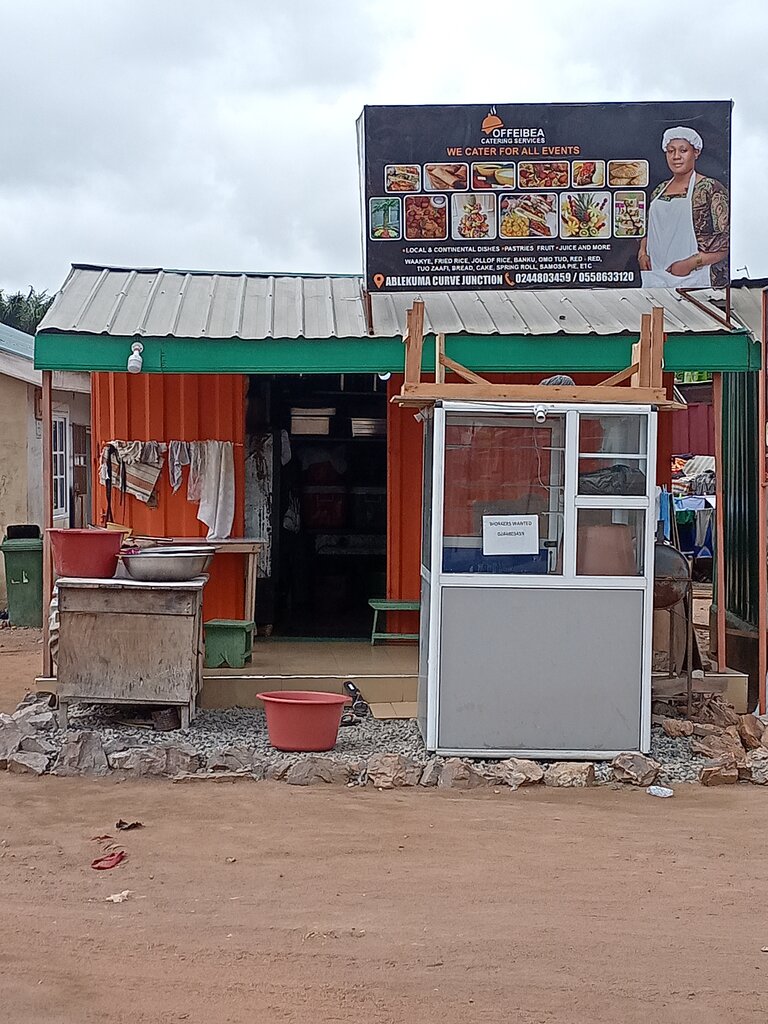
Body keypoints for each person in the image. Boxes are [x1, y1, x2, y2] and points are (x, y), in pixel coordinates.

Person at [639, 127, 729, 288]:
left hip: (694, 281)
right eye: (670, 151)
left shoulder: (711, 188)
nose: (676, 157)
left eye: (683, 150)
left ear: (696, 152)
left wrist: (690, 263)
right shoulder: (659, 191)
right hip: (655, 278)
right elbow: (647, 230)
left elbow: (726, 244)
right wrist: (642, 252)